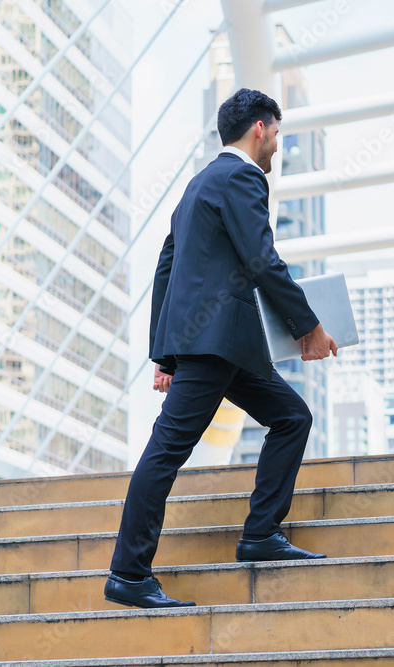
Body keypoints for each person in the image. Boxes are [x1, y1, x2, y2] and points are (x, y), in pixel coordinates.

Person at [103, 88, 337, 609]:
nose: (276, 145)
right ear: (259, 128)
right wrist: (309, 327)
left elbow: (169, 266)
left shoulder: (197, 185)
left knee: (291, 417)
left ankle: (259, 536)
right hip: (216, 346)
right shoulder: (242, 177)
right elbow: (262, 259)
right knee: (165, 452)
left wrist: (165, 354)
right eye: (276, 135)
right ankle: (128, 572)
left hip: (221, 346)